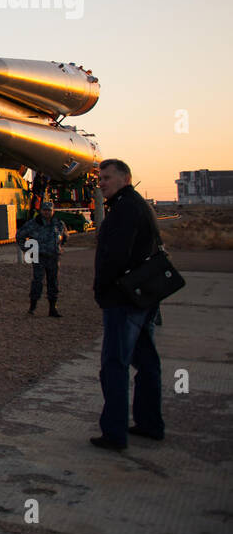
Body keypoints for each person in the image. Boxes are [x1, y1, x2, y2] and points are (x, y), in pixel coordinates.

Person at [91, 158, 164, 451]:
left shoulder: (123, 210)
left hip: (123, 300)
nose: (101, 183)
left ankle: (114, 433)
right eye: (100, 178)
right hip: (143, 296)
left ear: (125, 178)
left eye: (107, 177)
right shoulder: (138, 205)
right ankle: (149, 423)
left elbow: (115, 257)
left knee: (115, 365)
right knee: (146, 363)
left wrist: (101, 290)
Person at [17, 199, 68, 317]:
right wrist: (28, 249)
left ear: (53, 211)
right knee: (37, 282)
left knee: (53, 282)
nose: (47, 213)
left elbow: (65, 237)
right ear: (41, 211)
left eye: (49, 211)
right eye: (44, 210)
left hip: (53, 257)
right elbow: (20, 236)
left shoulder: (58, 224)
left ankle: (53, 308)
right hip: (38, 257)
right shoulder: (34, 224)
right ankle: (32, 306)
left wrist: (58, 247)